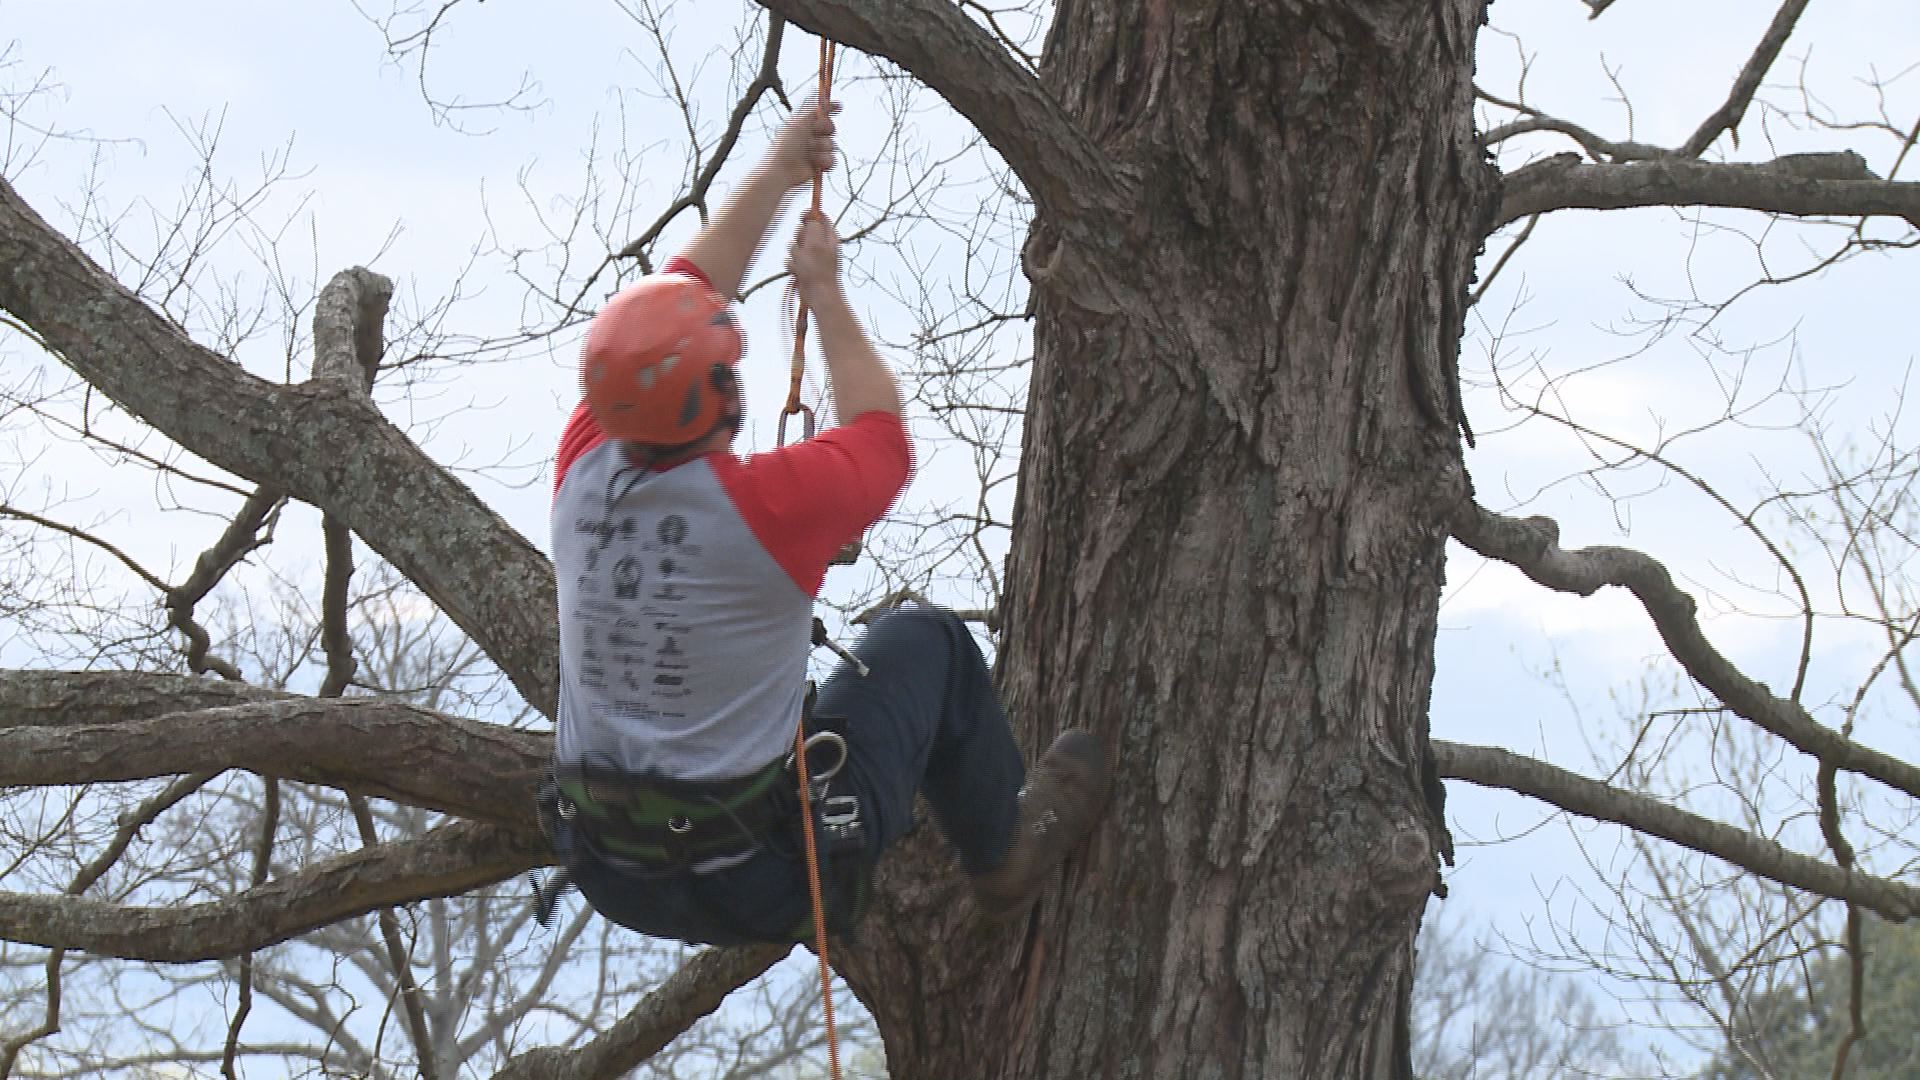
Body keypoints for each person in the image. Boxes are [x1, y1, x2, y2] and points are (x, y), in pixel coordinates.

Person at [542, 105, 1112, 946]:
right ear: (721, 398)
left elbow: (683, 289)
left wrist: (778, 171)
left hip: (608, 868)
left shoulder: (584, 465)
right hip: (756, 880)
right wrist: (825, 294)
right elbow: (883, 438)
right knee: (929, 644)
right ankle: (1005, 856)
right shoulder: (768, 509)